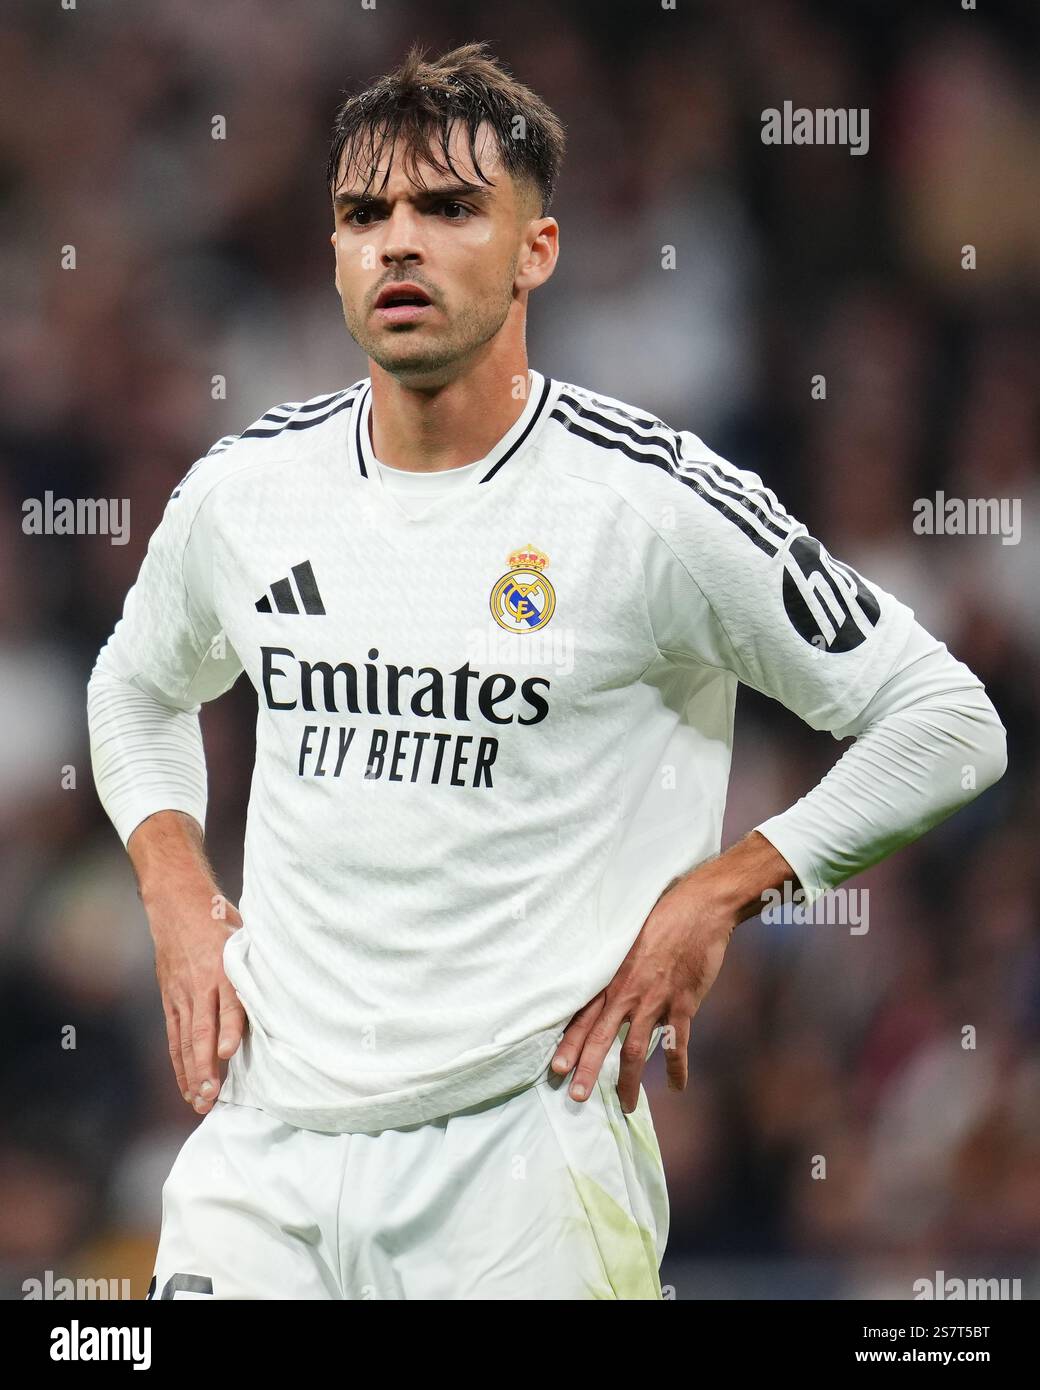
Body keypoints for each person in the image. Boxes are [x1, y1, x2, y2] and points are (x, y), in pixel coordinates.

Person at [87, 41, 1006, 1300]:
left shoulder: (652, 504)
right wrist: (175, 887)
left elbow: (947, 721)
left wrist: (726, 887)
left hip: (522, 1153)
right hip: (266, 1142)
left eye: (449, 208)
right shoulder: (245, 491)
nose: (398, 242)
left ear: (538, 249)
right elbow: (133, 686)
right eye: (366, 213)